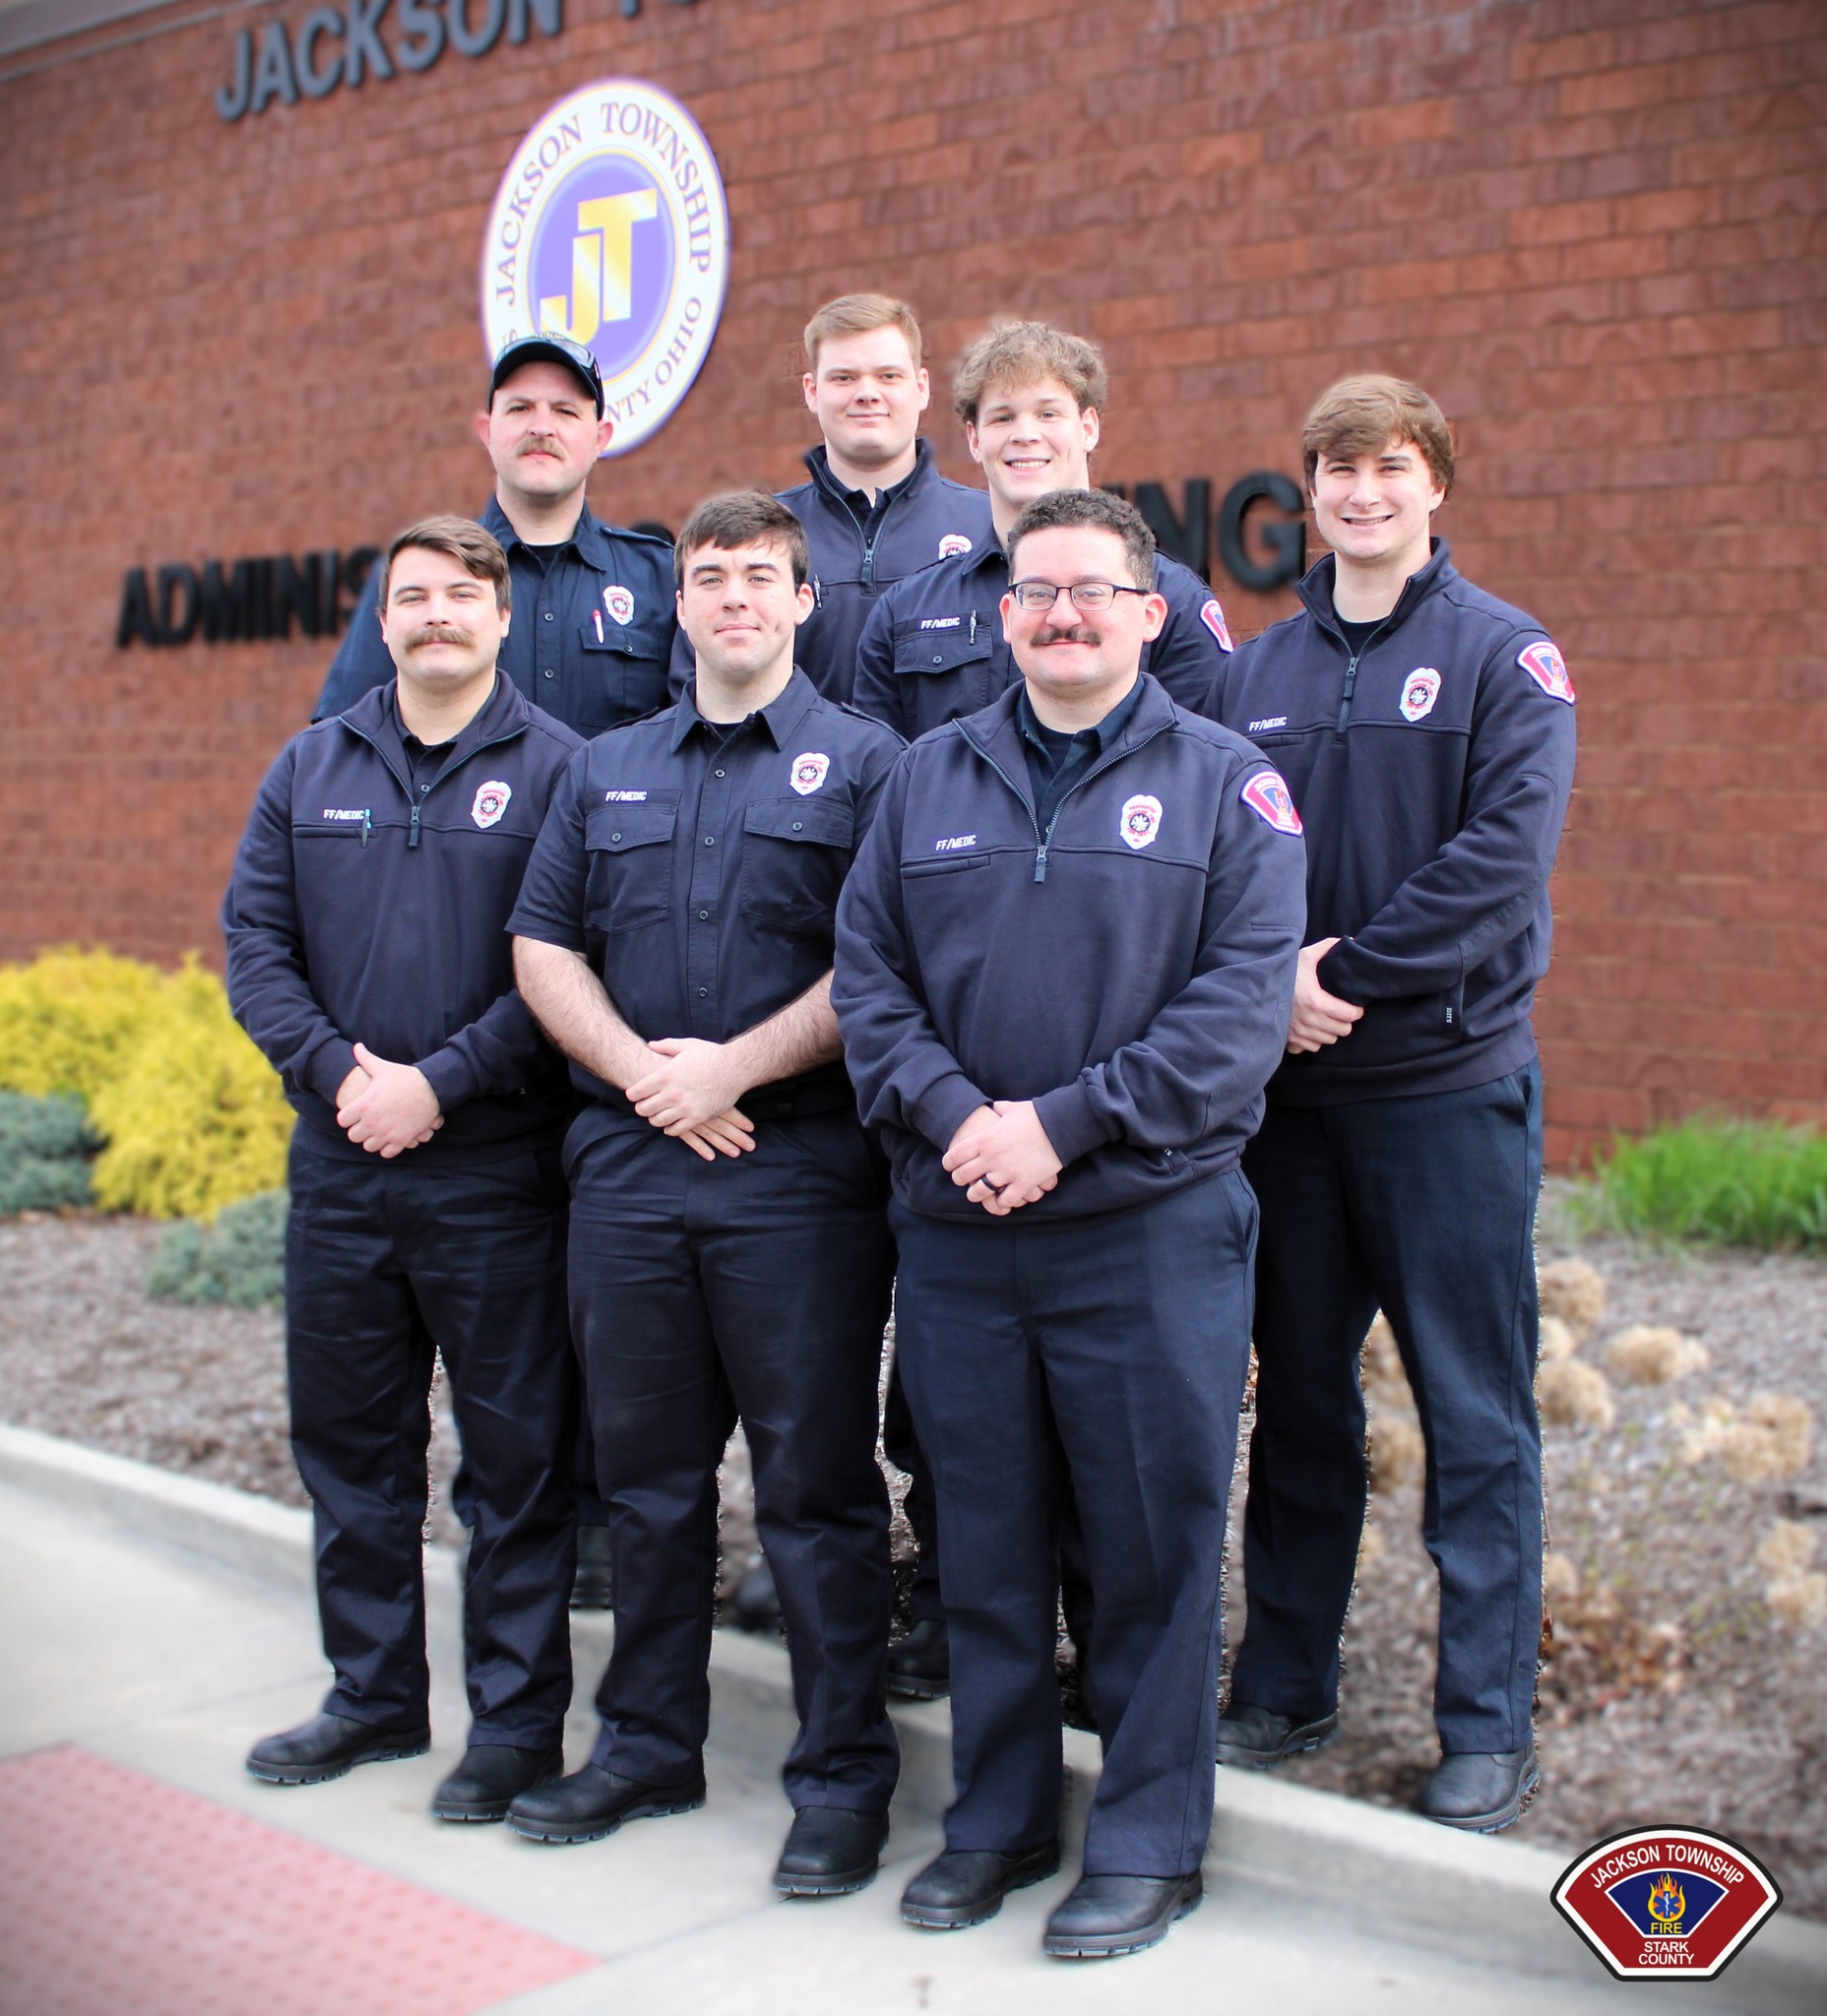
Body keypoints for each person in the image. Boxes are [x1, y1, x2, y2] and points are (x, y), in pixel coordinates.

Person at [834, 488, 1305, 1959]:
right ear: (1003, 615)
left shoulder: (1230, 785)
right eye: (1036, 592)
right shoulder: (926, 777)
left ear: (1150, 614)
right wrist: (959, 1115)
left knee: (1153, 1546)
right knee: (982, 1538)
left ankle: (1152, 1841)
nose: (1062, 615)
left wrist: (1062, 1123)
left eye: (1093, 591)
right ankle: (997, 1818)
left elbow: (1239, 1012)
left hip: (1146, 1229)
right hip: (962, 1227)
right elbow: (867, 980)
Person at [507, 492, 905, 1898]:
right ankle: (645, 1745)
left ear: (804, 602)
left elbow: (884, 960)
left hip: (798, 1177)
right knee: (645, 1484)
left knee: (815, 1489)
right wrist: (647, 1077)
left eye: (760, 575)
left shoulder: (869, 765)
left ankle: (841, 1778)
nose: (734, 595)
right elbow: (541, 944)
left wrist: (733, 1066)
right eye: (710, 575)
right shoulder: (604, 768)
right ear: (677, 606)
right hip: (628, 1170)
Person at [1209, 375, 1577, 1834]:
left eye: (1390, 466)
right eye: (1338, 469)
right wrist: (1270, 988)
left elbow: (1501, 862)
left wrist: (1341, 971)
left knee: (1474, 1411)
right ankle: (1285, 1684)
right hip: (1293, 1105)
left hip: (1443, 1094)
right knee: (1300, 1404)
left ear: (1435, 483)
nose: (1363, 492)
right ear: (1308, 492)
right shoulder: (1254, 671)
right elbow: (1216, 857)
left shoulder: (1504, 657)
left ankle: (1486, 1726)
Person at [226, 518, 583, 1823]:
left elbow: (569, 965)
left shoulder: (561, 772)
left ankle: (516, 1725)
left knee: (517, 1458)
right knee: (350, 1443)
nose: (437, 615)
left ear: (501, 618)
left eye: (460, 595)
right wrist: (341, 1075)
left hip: (495, 1171)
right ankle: (372, 1696)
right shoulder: (310, 764)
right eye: (413, 597)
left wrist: (440, 1082)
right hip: (341, 1168)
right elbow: (254, 946)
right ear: (383, 622)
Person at [314, 331, 673, 1606]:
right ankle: (525, 1526)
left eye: (564, 407)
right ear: (485, 430)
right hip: (469, 1004)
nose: (540, 424)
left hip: (610, 981)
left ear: (601, 432)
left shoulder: (650, 579)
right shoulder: (430, 584)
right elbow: (341, 751)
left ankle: (601, 1520)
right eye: (516, 405)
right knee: (501, 1296)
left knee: (600, 1280)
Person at [850, 321, 1234, 742]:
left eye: (1048, 413)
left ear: (1088, 427)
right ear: (974, 439)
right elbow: (883, 773)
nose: (1025, 435)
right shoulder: (905, 610)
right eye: (1003, 417)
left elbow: (1204, 759)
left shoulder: (1172, 599)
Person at [666, 292, 991, 707]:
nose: (867, 393)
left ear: (922, 387)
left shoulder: (986, 529)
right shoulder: (757, 540)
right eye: (844, 378)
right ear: (812, 391)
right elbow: (700, 691)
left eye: (888, 376)